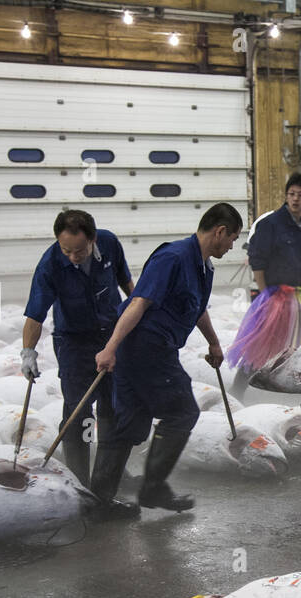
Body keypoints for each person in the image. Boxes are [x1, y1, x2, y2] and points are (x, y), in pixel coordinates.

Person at [92, 203, 243, 513]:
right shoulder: (172, 258)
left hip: (153, 348)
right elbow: (138, 304)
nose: (232, 246)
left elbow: (197, 307)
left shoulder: (204, 266)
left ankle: (100, 501)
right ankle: (153, 488)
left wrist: (214, 343)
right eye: (233, 239)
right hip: (145, 346)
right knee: (183, 411)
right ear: (220, 231)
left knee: (130, 424)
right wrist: (110, 348)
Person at [20, 209, 135, 520]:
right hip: (73, 343)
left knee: (114, 412)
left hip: (111, 337)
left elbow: (126, 283)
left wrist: (139, 318)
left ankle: (103, 496)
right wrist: (28, 352)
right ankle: (78, 491)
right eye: (65, 249)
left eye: (79, 251)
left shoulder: (109, 244)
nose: (72, 257)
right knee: (78, 415)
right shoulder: (50, 264)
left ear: (93, 240)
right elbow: (35, 315)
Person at [225, 173, 301, 396]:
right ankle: (237, 392)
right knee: (261, 345)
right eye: (291, 194)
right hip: (272, 294)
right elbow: (257, 261)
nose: (295, 199)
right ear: (286, 196)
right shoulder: (271, 224)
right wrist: (265, 295)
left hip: (299, 295)